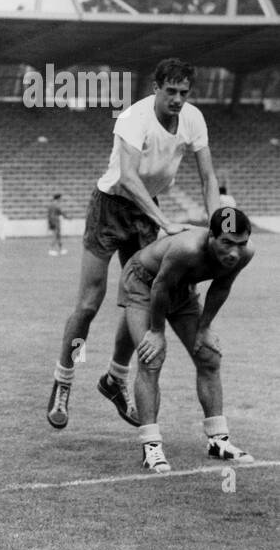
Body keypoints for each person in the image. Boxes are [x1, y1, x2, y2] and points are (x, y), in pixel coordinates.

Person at [47, 57, 220, 429]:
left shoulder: (193, 119)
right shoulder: (133, 118)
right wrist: (163, 222)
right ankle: (64, 379)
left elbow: (208, 178)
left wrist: (217, 224)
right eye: (170, 91)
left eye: (183, 93)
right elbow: (126, 178)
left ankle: (114, 378)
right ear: (155, 88)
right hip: (111, 207)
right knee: (89, 304)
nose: (176, 99)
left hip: (146, 210)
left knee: (135, 301)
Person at [120, 207, 255, 472]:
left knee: (208, 355)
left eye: (240, 244)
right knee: (152, 357)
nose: (234, 252)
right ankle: (151, 446)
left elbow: (222, 286)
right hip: (143, 282)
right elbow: (160, 286)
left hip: (180, 287)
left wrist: (204, 327)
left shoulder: (245, 254)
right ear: (211, 237)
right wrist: (157, 331)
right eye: (227, 243)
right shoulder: (187, 249)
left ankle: (218, 440)